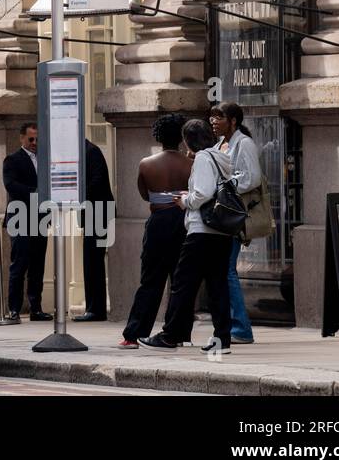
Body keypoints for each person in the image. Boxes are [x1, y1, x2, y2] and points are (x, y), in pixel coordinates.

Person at [139, 119, 237, 354]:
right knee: (217, 285)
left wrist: (185, 201)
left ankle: (170, 336)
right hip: (221, 231)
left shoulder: (203, 158)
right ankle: (222, 338)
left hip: (201, 231)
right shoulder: (222, 156)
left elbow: (203, 193)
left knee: (183, 283)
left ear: (188, 140)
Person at [120, 114, 192, 348]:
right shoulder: (191, 164)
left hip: (159, 220)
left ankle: (133, 334)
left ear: (158, 137)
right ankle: (179, 332)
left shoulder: (146, 164)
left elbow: (144, 194)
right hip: (184, 220)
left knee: (150, 279)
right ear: (182, 136)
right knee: (181, 280)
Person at [210, 102, 261, 344]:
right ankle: (232, 325)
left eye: (219, 117)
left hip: (232, 215)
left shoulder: (244, 143)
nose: (213, 121)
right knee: (221, 270)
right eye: (212, 117)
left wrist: (222, 189)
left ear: (233, 121)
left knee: (227, 270)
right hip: (220, 216)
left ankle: (241, 328)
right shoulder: (219, 144)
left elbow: (252, 178)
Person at [2, 122, 51, 322]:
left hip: (40, 217)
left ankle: (35, 308)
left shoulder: (46, 159)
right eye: (30, 139)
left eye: (37, 139)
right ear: (21, 138)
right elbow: (11, 185)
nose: (34, 143)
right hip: (20, 217)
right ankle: (13, 309)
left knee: (37, 266)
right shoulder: (12, 160)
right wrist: (36, 194)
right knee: (19, 265)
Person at [75, 137, 114, 322]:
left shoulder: (90, 152)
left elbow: (96, 182)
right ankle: (93, 307)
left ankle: (95, 309)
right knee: (91, 261)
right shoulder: (86, 151)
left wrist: (76, 195)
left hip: (98, 211)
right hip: (93, 211)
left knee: (93, 261)